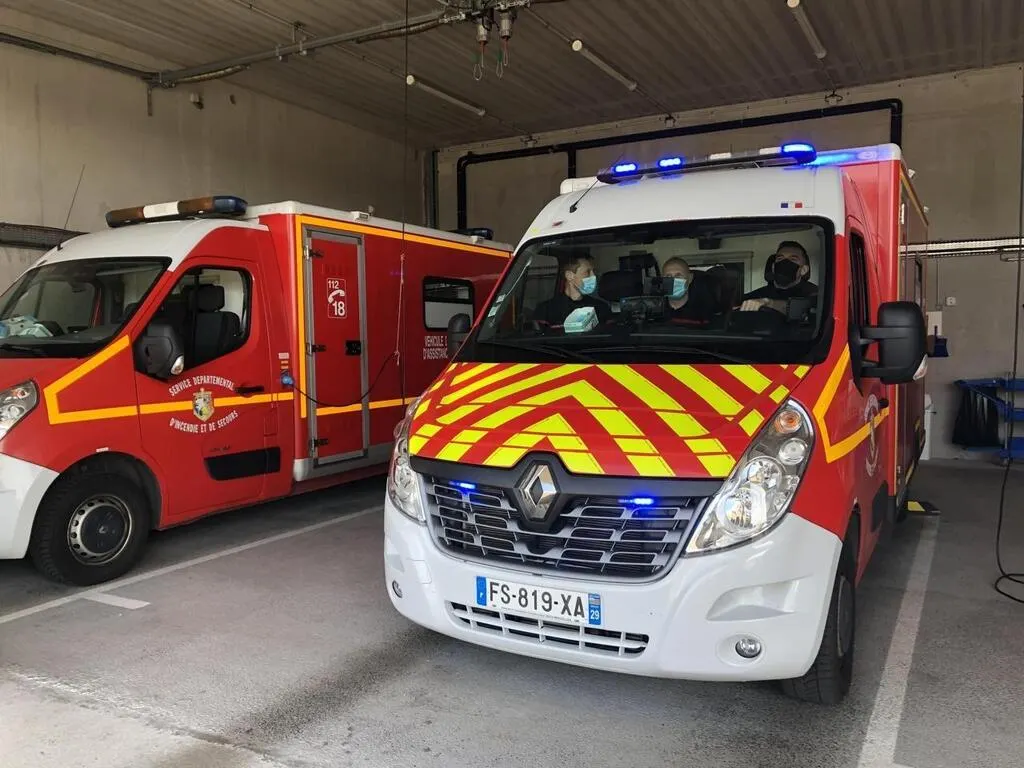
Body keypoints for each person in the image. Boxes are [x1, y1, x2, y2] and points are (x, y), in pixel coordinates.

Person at [534, 255, 612, 328]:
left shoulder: (601, 307)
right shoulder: (546, 310)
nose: (593, 276)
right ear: (569, 275)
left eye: (593, 271)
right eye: (588, 272)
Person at [740, 241, 818, 312]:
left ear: (804, 270)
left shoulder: (815, 293)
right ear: (773, 267)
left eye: (793, 259)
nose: (784, 263)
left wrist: (769, 303)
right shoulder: (756, 295)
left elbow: (804, 307)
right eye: (780, 258)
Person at [662, 257, 715, 326]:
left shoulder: (704, 313)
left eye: (678, 276)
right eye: (668, 276)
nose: (673, 280)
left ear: (690, 278)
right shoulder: (653, 310)